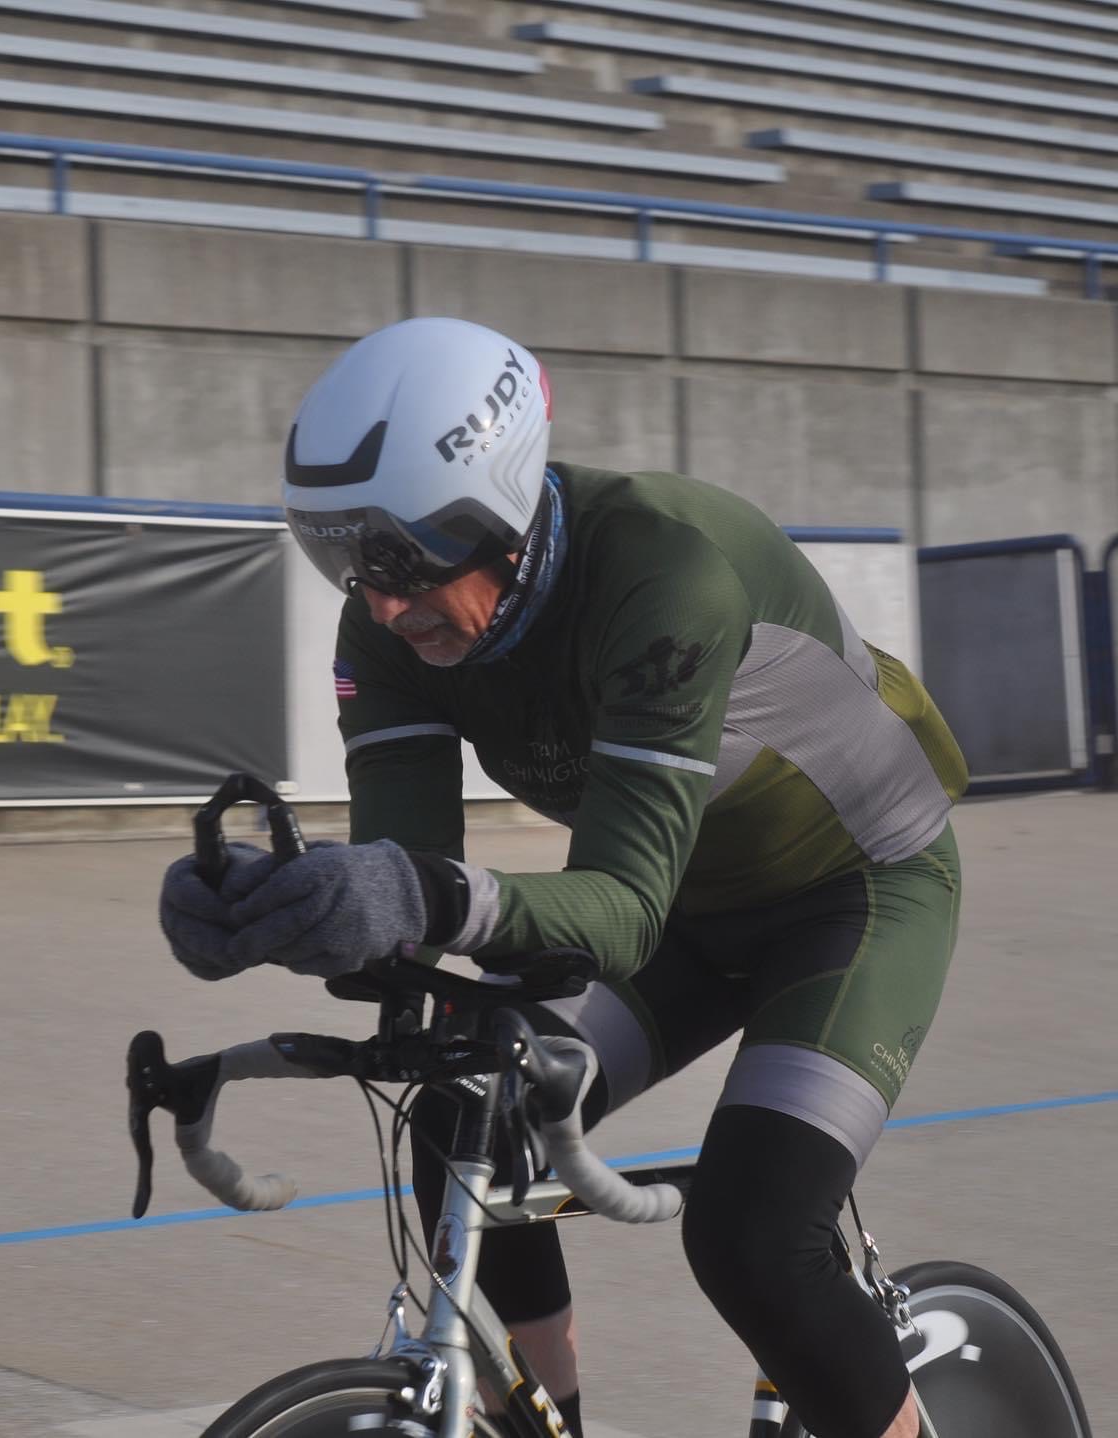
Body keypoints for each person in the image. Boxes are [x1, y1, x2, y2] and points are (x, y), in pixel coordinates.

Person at [160, 317, 967, 1438]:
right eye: (342, 559)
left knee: (751, 1236)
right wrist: (268, 909)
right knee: (461, 1126)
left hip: (851, 895)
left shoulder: (663, 575)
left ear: (495, 510)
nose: (378, 601)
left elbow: (616, 912)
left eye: (397, 559)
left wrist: (415, 897)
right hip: (681, 894)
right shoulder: (393, 631)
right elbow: (410, 884)